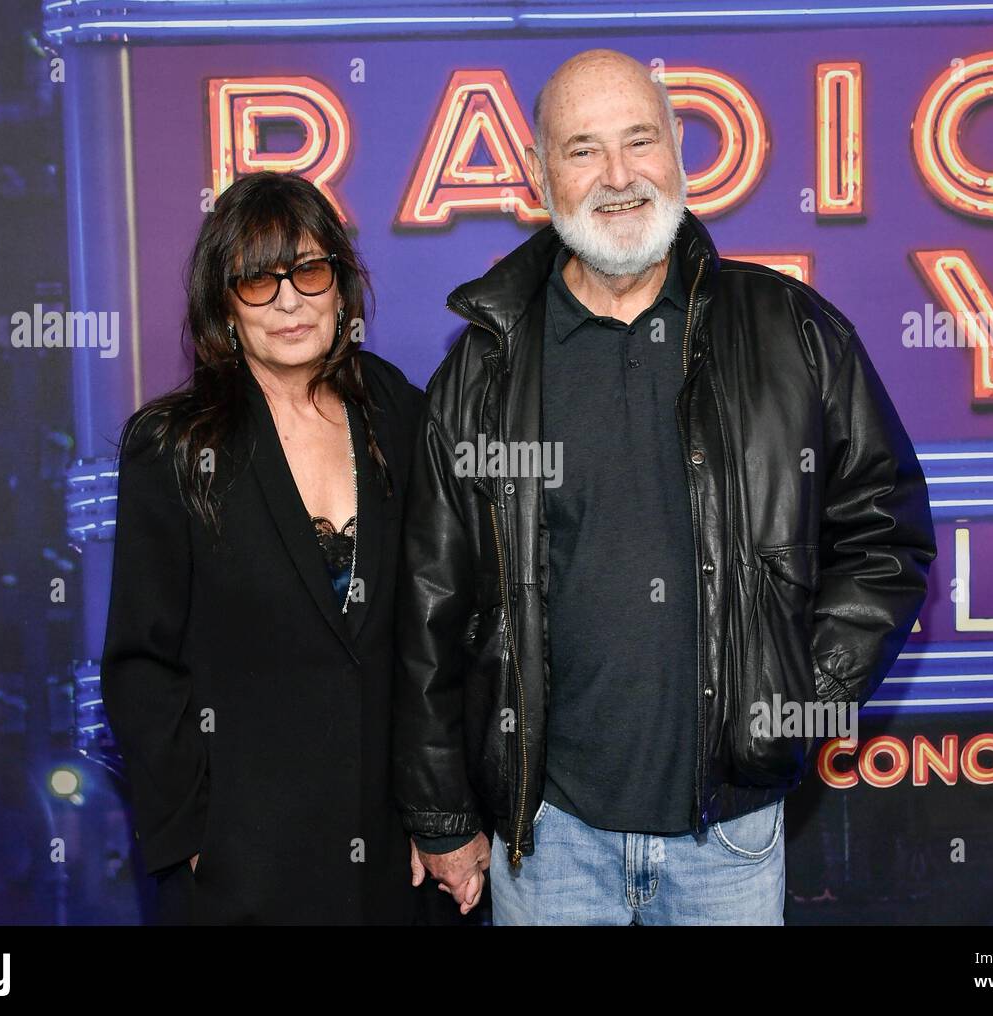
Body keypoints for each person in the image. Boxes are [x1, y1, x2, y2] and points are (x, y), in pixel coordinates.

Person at [393, 49, 937, 925]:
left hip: (730, 836)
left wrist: (797, 702)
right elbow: (432, 600)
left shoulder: (789, 330)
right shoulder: (486, 367)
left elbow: (886, 534)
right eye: (582, 149)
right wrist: (442, 812)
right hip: (548, 836)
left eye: (639, 140)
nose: (618, 175)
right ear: (538, 172)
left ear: (678, 148)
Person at [101, 170, 427, 924]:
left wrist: (440, 810)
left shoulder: (398, 413)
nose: (288, 301)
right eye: (257, 280)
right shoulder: (174, 445)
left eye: (308, 271)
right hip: (242, 865)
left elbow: (436, 630)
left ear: (340, 287)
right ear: (225, 304)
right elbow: (141, 662)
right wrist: (192, 835)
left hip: (389, 856)